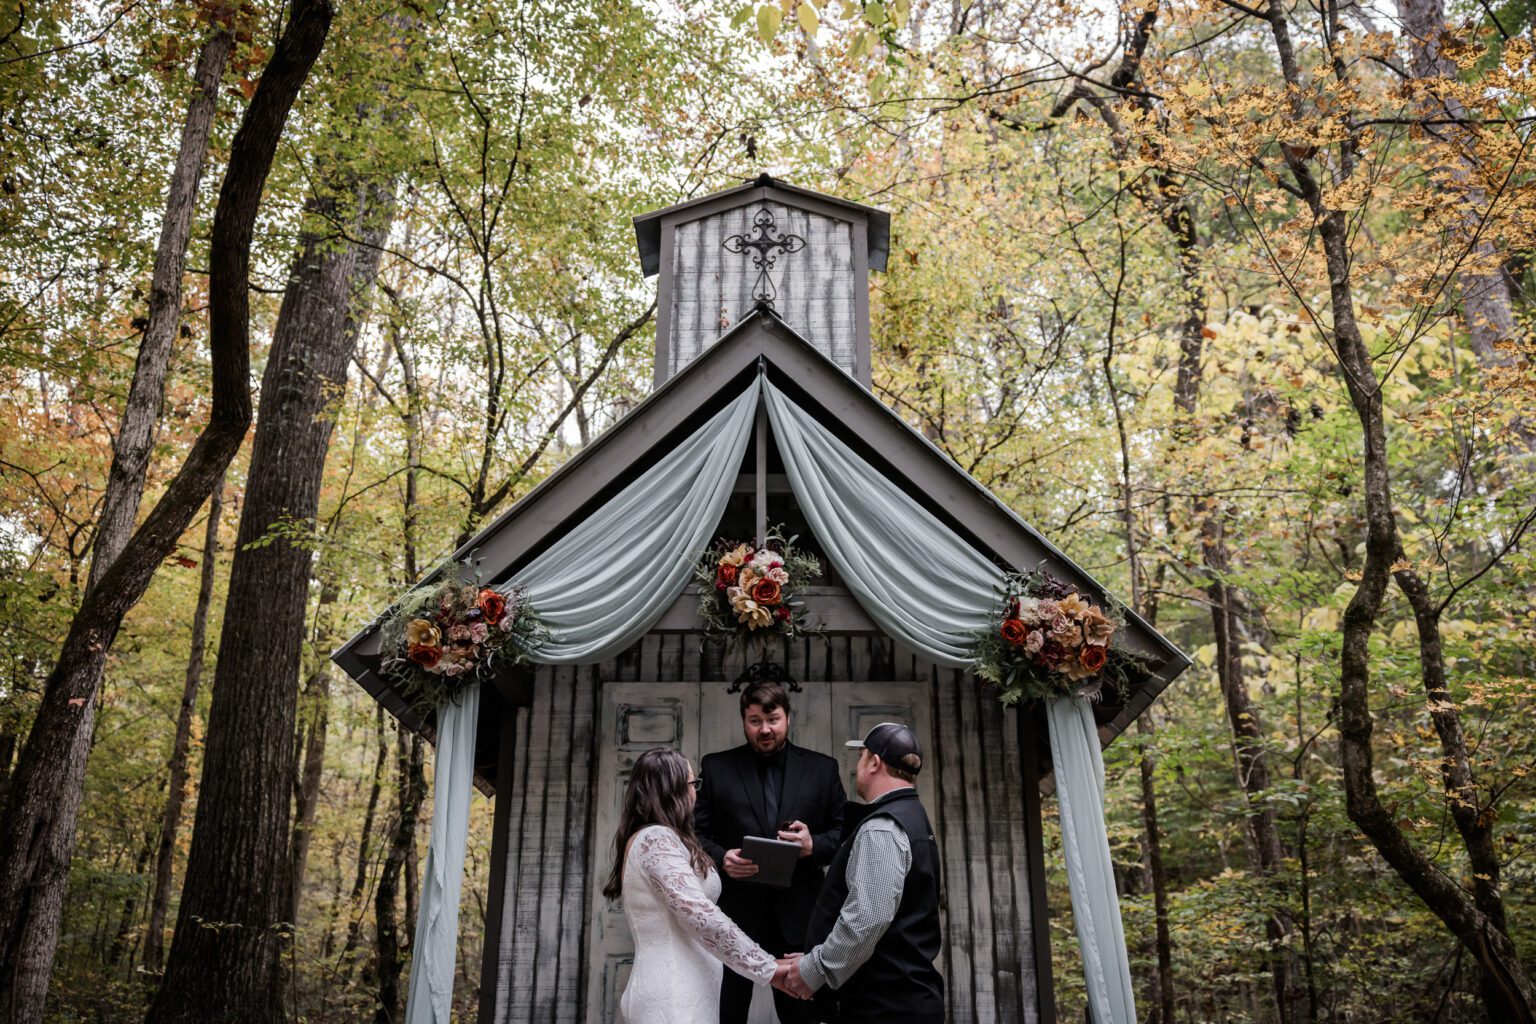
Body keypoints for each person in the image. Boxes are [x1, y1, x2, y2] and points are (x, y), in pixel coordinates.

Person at [602, 746, 798, 1024]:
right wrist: (767, 968)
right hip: (672, 991)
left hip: (689, 989)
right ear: (675, 790)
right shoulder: (656, 839)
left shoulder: (667, 838)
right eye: (693, 783)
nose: (696, 791)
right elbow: (700, 916)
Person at [694, 681, 846, 1024]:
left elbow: (845, 837)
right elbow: (694, 834)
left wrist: (813, 845)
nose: (764, 729)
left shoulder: (823, 769)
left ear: (788, 718)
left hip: (800, 921)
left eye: (772, 719)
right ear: (744, 721)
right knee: (725, 1012)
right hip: (733, 919)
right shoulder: (717, 768)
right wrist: (722, 860)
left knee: (804, 1016)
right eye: (754, 720)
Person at [774, 722, 944, 1024]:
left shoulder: (881, 828)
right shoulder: (913, 817)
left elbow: (867, 918)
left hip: (885, 1008)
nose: (858, 766)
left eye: (862, 756)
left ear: (875, 762)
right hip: (902, 1000)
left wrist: (814, 971)